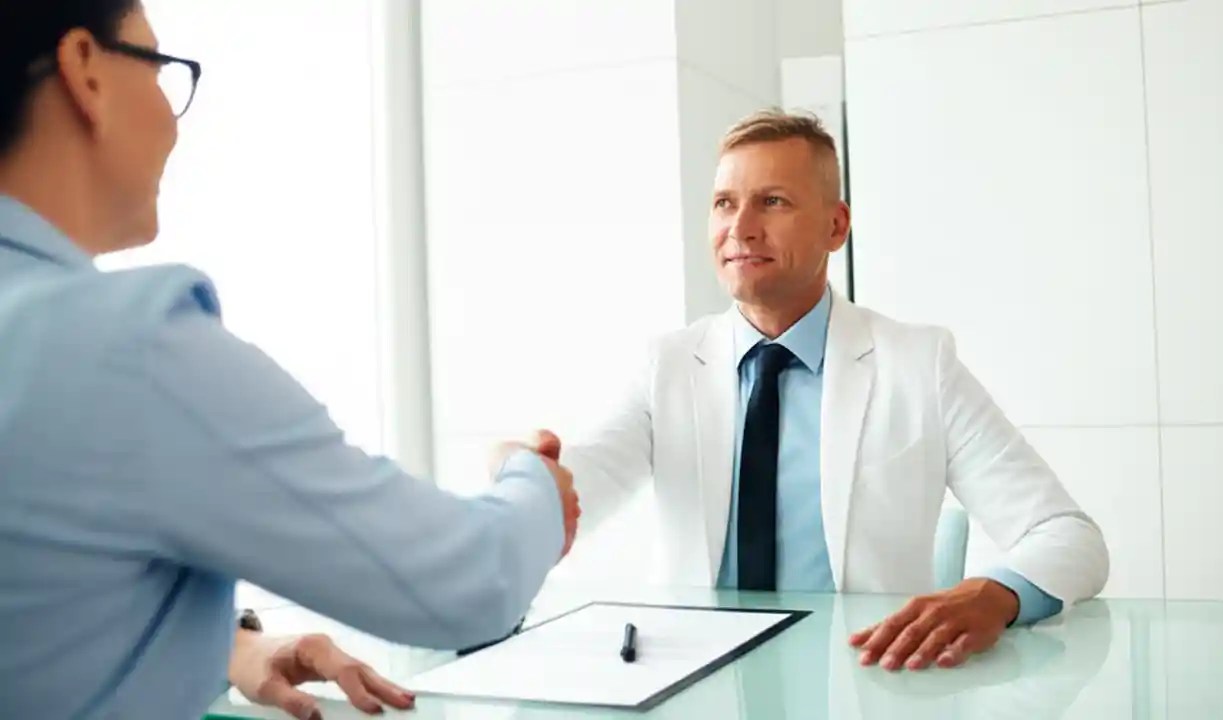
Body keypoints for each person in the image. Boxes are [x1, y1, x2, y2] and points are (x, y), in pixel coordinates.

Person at [0, 2, 580, 718]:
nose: (173, 120)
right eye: (158, 68)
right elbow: (468, 581)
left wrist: (231, 648)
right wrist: (535, 483)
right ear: (85, 71)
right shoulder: (122, 347)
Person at [517, 109, 1108, 672]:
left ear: (836, 225)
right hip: (699, 688)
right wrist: (527, 484)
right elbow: (579, 491)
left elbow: (1068, 536)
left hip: (865, 684)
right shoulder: (666, 365)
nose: (741, 228)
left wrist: (995, 593)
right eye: (725, 203)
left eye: (772, 201)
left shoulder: (918, 362)